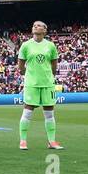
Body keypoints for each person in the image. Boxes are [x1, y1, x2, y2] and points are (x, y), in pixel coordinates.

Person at [17, 20, 62, 150]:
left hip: (47, 83)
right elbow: (21, 65)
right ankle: (23, 141)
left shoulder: (50, 46)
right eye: (34, 25)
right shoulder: (26, 45)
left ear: (44, 30)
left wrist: (48, 76)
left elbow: (54, 64)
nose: (36, 27)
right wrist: (30, 75)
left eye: (39, 25)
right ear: (32, 30)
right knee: (27, 111)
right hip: (32, 83)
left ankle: (51, 141)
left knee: (49, 113)